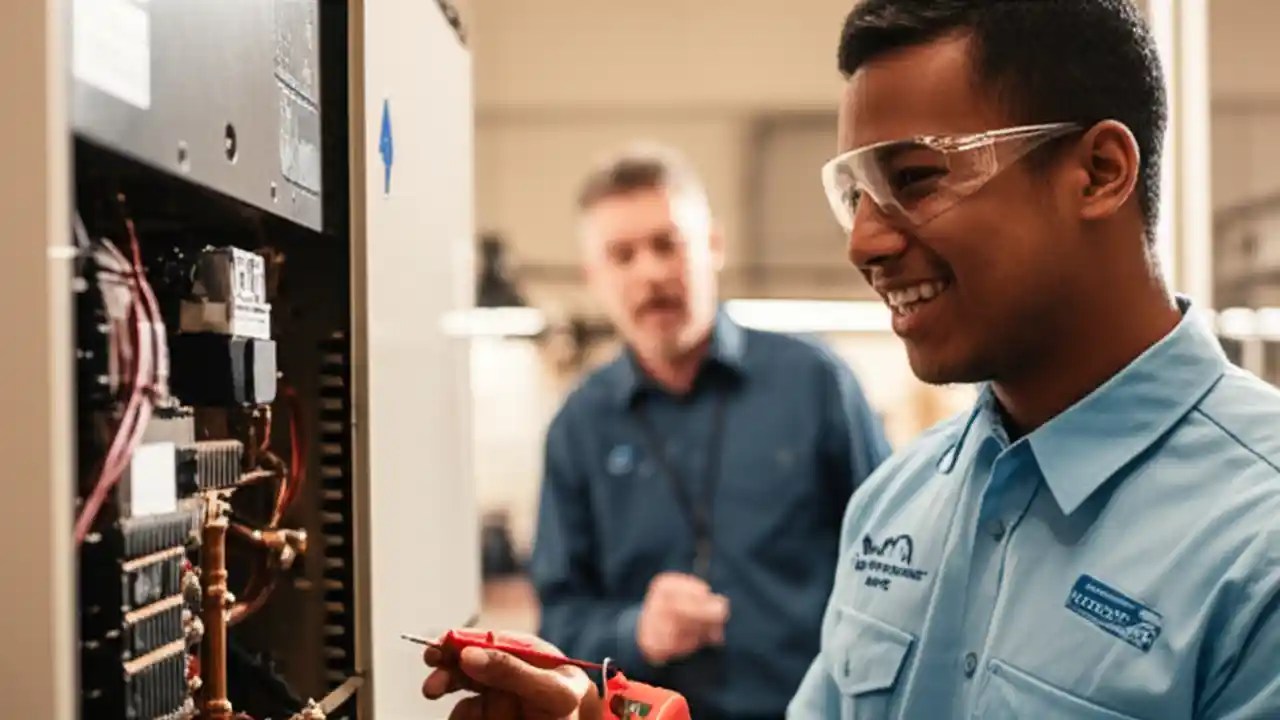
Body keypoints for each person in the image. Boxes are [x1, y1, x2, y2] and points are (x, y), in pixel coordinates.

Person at [423, 1, 1280, 718]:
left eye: (916, 178)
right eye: (856, 196)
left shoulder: (1256, 545)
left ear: (1097, 171)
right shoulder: (899, 504)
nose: (864, 242)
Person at [525, 143, 889, 720]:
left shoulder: (814, 383)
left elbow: (893, 564)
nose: (650, 272)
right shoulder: (578, 427)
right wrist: (634, 631)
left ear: (713, 246)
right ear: (594, 276)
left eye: (667, 244)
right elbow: (558, 624)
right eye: (622, 255)